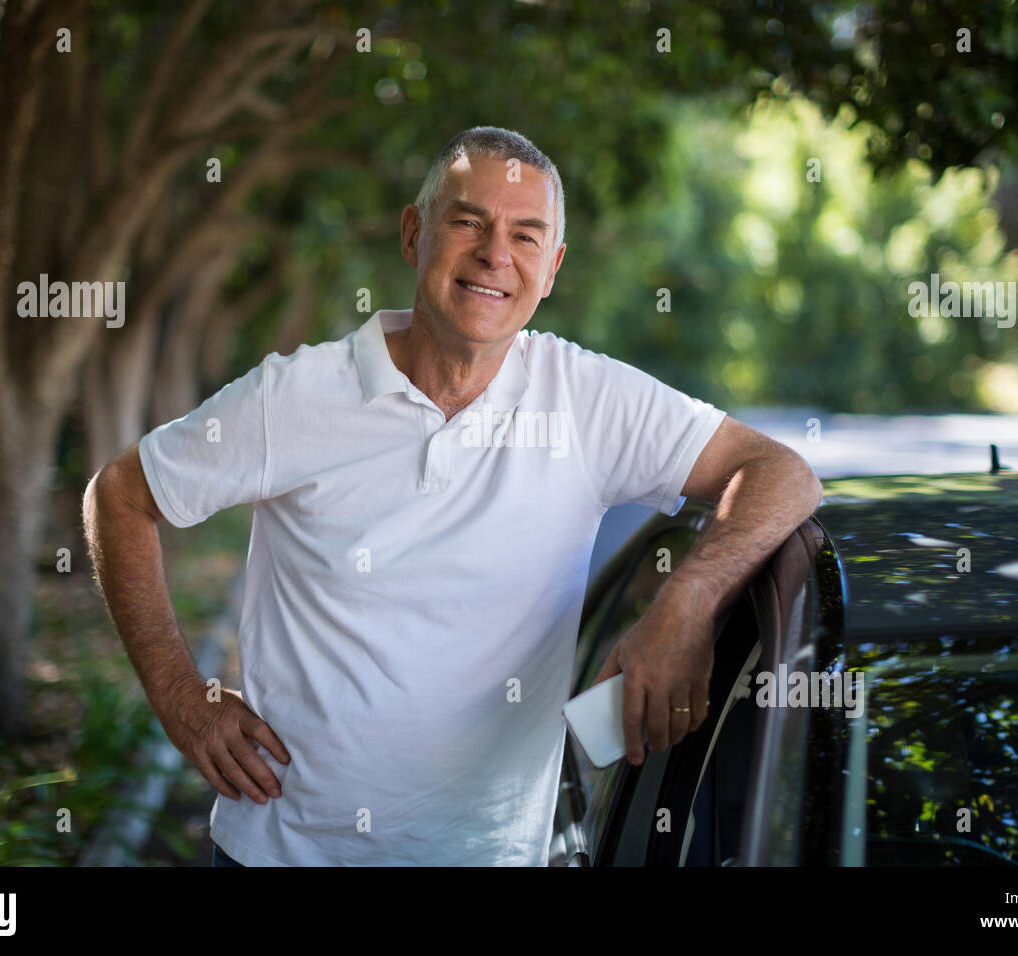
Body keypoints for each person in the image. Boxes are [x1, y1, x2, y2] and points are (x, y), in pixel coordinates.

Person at [82, 126, 822, 866]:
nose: (495, 255)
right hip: (281, 850)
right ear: (414, 233)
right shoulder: (294, 396)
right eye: (468, 222)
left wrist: (686, 602)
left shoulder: (589, 402)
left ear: (553, 266)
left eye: (526, 236)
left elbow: (779, 471)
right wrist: (183, 697)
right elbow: (118, 496)